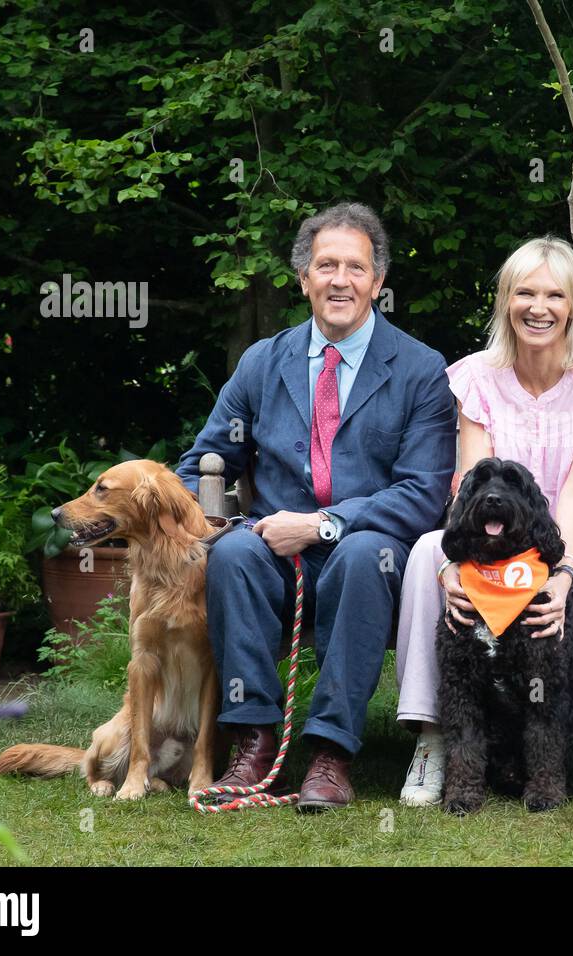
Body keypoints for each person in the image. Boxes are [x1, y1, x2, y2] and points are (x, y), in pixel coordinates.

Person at [176, 202, 456, 811]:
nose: (340, 280)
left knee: (362, 553)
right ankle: (254, 738)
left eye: (355, 268)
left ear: (378, 283)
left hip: (370, 548)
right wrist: (213, 521)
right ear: (303, 278)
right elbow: (201, 464)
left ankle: (331, 753)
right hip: (275, 548)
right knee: (235, 554)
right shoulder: (262, 362)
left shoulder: (420, 370)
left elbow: (423, 490)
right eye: (325, 265)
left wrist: (325, 523)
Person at [394, 236, 573, 816]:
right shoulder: (475, 378)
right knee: (426, 551)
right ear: (506, 301)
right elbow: (471, 480)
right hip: (493, 542)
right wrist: (455, 564)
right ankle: (433, 739)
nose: (539, 307)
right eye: (525, 292)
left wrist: (561, 573)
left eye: (555, 294)